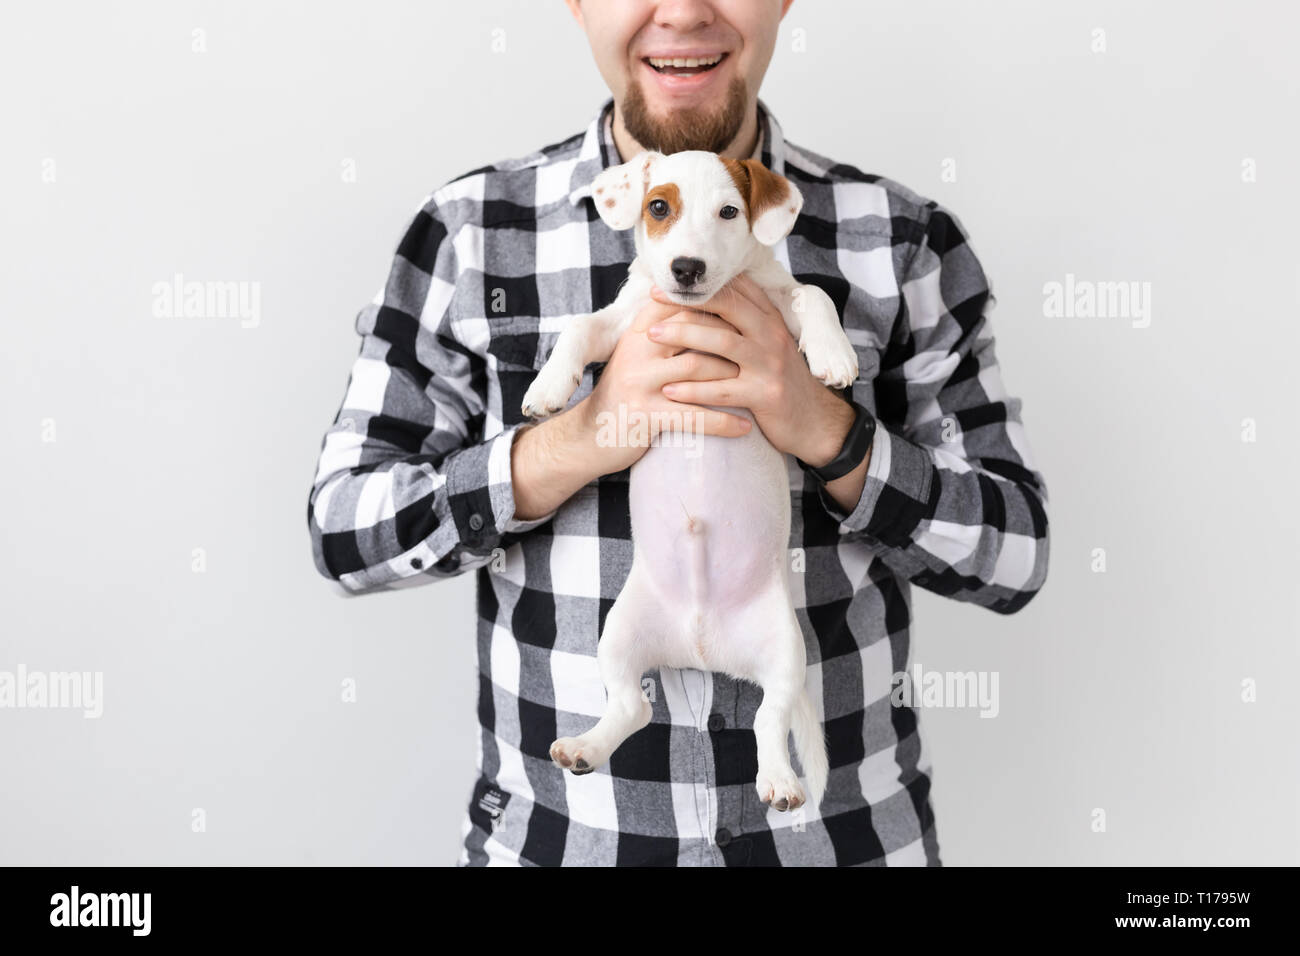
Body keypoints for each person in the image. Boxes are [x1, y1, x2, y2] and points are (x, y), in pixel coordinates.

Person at [306, 0, 1050, 866]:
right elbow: (343, 532)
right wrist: (576, 440)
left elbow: (1016, 556)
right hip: (565, 844)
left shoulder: (903, 240)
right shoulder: (472, 235)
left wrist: (832, 434)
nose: (685, 10)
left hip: (840, 844)